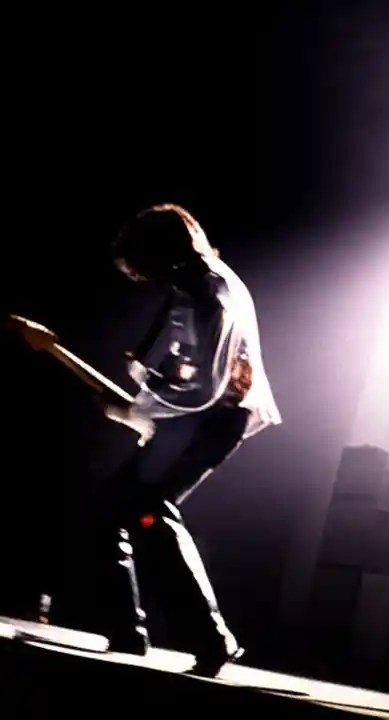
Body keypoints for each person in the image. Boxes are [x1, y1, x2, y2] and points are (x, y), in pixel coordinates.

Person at [95, 204, 281, 676]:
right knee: (120, 508)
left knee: (147, 508)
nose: (139, 276)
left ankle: (209, 636)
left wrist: (138, 405)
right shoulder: (199, 282)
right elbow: (192, 369)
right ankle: (129, 631)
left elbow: (207, 387)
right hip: (207, 418)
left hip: (214, 418)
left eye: (140, 265)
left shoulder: (208, 290)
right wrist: (147, 379)